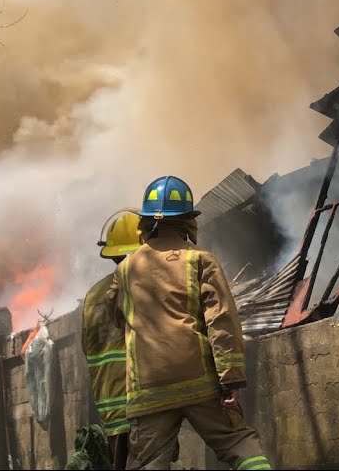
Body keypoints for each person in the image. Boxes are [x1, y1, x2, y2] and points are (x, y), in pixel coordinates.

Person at [109, 176, 271, 471]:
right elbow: (220, 321)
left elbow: (120, 322)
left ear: (146, 223)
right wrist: (230, 378)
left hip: (148, 390)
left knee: (148, 462)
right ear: (187, 221)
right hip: (200, 382)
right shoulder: (200, 260)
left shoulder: (124, 270)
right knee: (237, 443)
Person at [83, 210, 143, 469]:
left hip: (108, 403)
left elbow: (88, 348)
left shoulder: (93, 294)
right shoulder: (139, 288)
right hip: (139, 400)